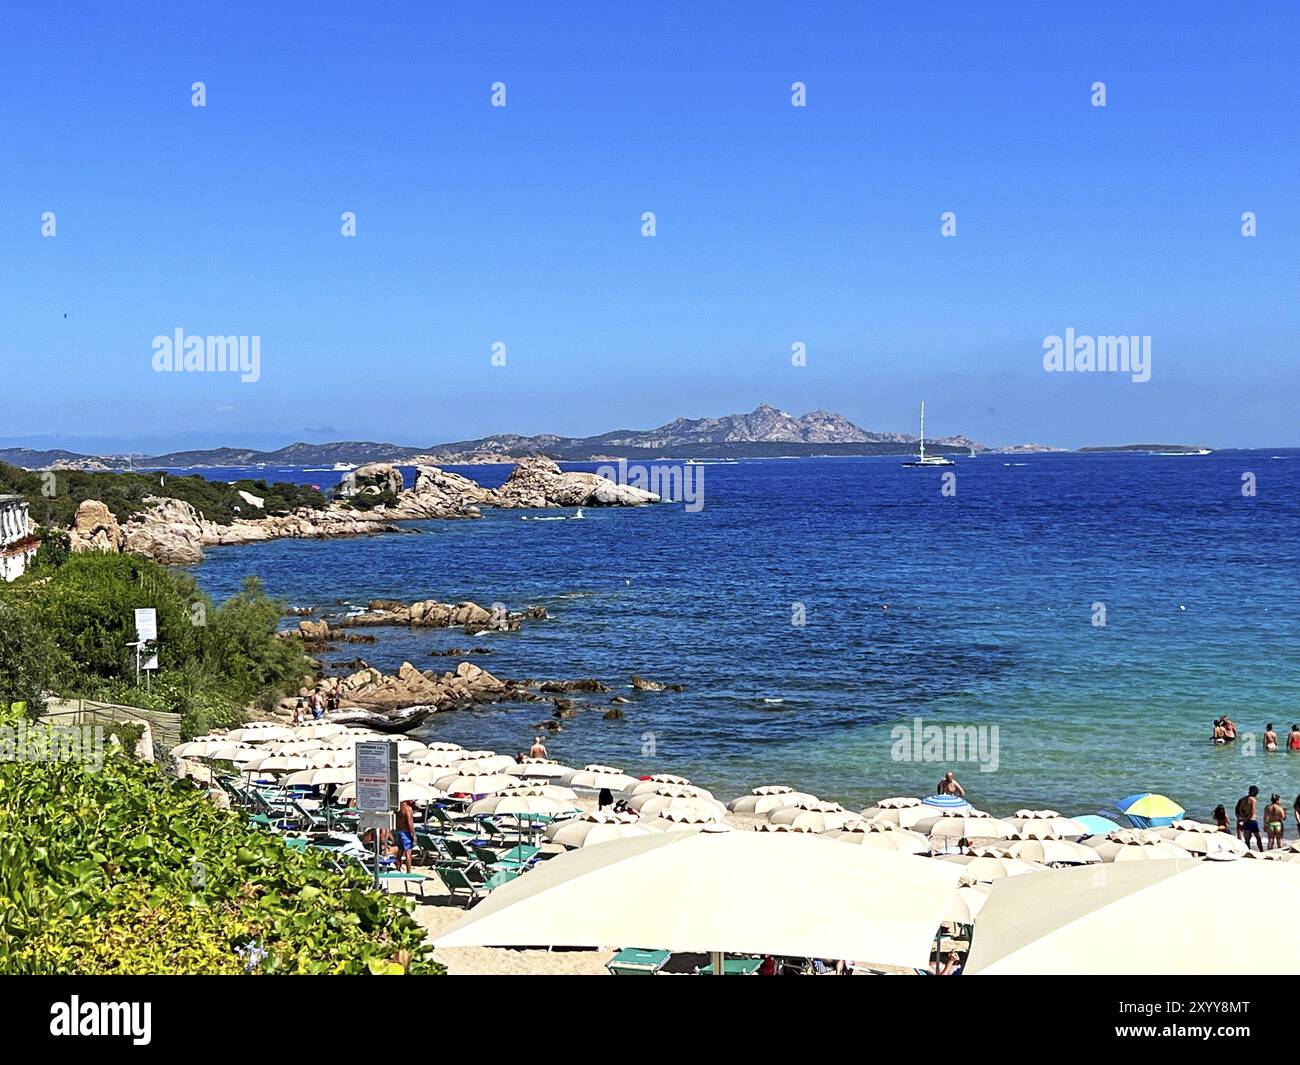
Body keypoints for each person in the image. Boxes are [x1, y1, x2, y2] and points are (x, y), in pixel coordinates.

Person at [1235, 786, 1262, 851]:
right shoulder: (1253, 800)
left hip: (1245, 821)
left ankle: (1248, 850)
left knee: (1247, 839)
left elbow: (1240, 809)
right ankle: (1261, 851)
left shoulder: (1243, 799)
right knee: (1258, 838)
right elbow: (1252, 812)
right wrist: (1248, 818)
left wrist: (1244, 818)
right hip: (1252, 821)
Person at [394, 799, 417, 872]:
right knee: (408, 854)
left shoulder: (398, 808)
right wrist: (413, 835)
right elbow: (410, 823)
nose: (413, 801)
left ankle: (397, 869)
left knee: (399, 853)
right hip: (406, 832)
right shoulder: (408, 809)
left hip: (398, 831)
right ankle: (408, 872)